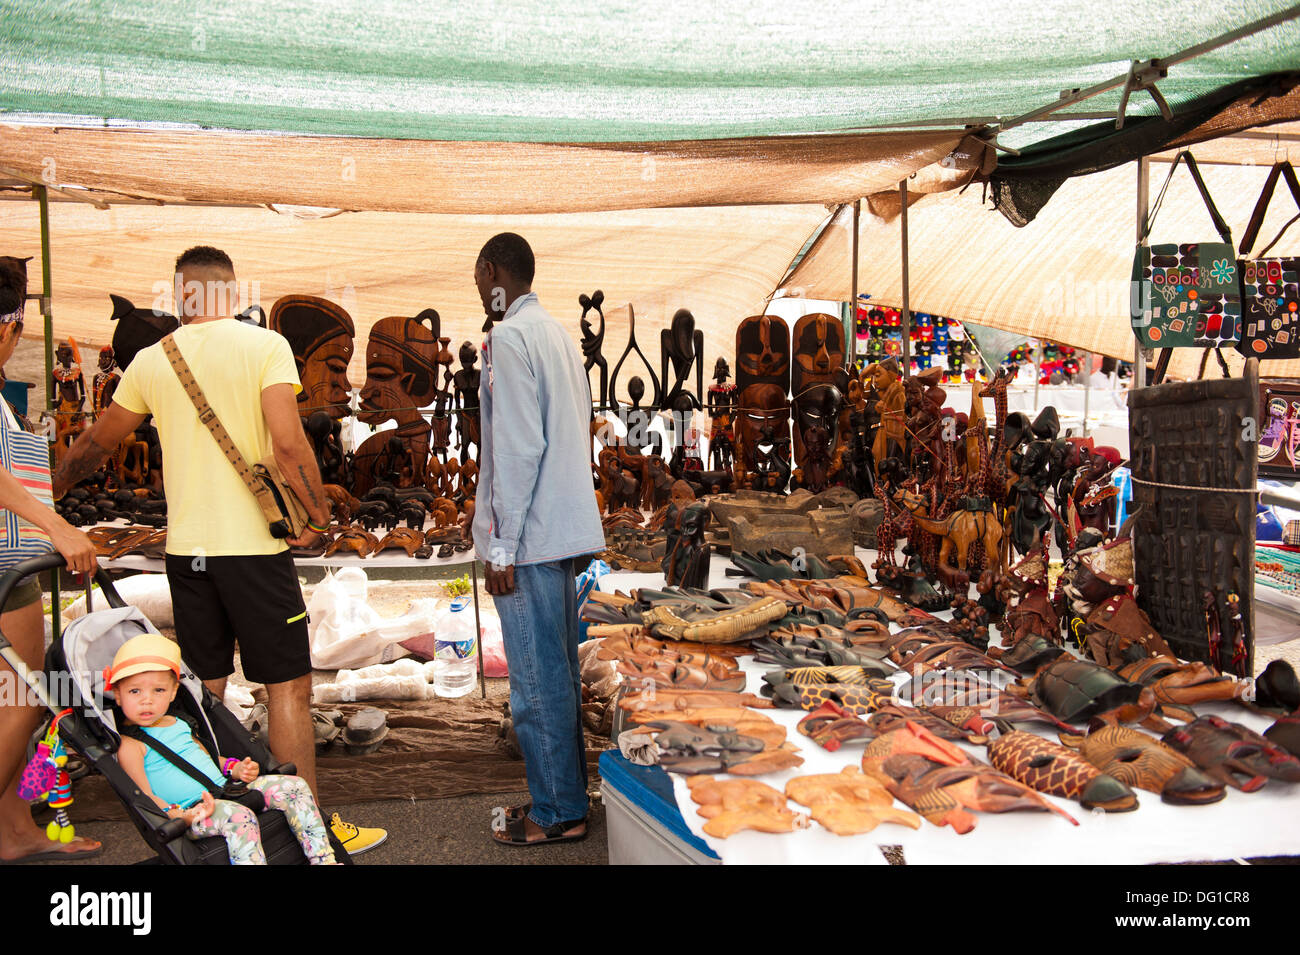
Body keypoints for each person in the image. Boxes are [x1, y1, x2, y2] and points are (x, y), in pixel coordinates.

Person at [54, 246, 386, 855]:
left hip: (189, 555)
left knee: (202, 693)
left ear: (181, 297)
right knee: (286, 687)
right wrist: (315, 515)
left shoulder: (154, 359)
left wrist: (47, 493)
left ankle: (210, 828)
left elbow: (98, 444)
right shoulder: (265, 348)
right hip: (255, 552)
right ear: (232, 295)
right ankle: (301, 829)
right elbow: (288, 444)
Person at [470, 233, 605, 847]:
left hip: (528, 541)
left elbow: (519, 449)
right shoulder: (555, 335)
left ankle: (557, 815)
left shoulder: (509, 337)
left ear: (495, 271)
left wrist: (502, 545)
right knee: (555, 673)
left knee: (534, 682)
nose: (478, 291)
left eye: (479, 278)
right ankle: (569, 798)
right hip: (558, 533)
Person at [0, 307, 102, 863]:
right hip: (3, 566)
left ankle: (13, 829)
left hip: (8, 562)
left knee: (9, 701)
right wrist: (57, 526)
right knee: (23, 700)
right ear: (9, 328)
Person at [107, 633, 337, 865]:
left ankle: (322, 859)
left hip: (226, 789)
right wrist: (178, 816)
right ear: (118, 695)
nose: (146, 700)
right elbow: (143, 797)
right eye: (135, 691)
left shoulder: (180, 722)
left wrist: (234, 768)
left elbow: (205, 758)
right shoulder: (129, 746)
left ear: (173, 692)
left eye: (158, 691)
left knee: (293, 784)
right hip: (193, 812)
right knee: (241, 817)